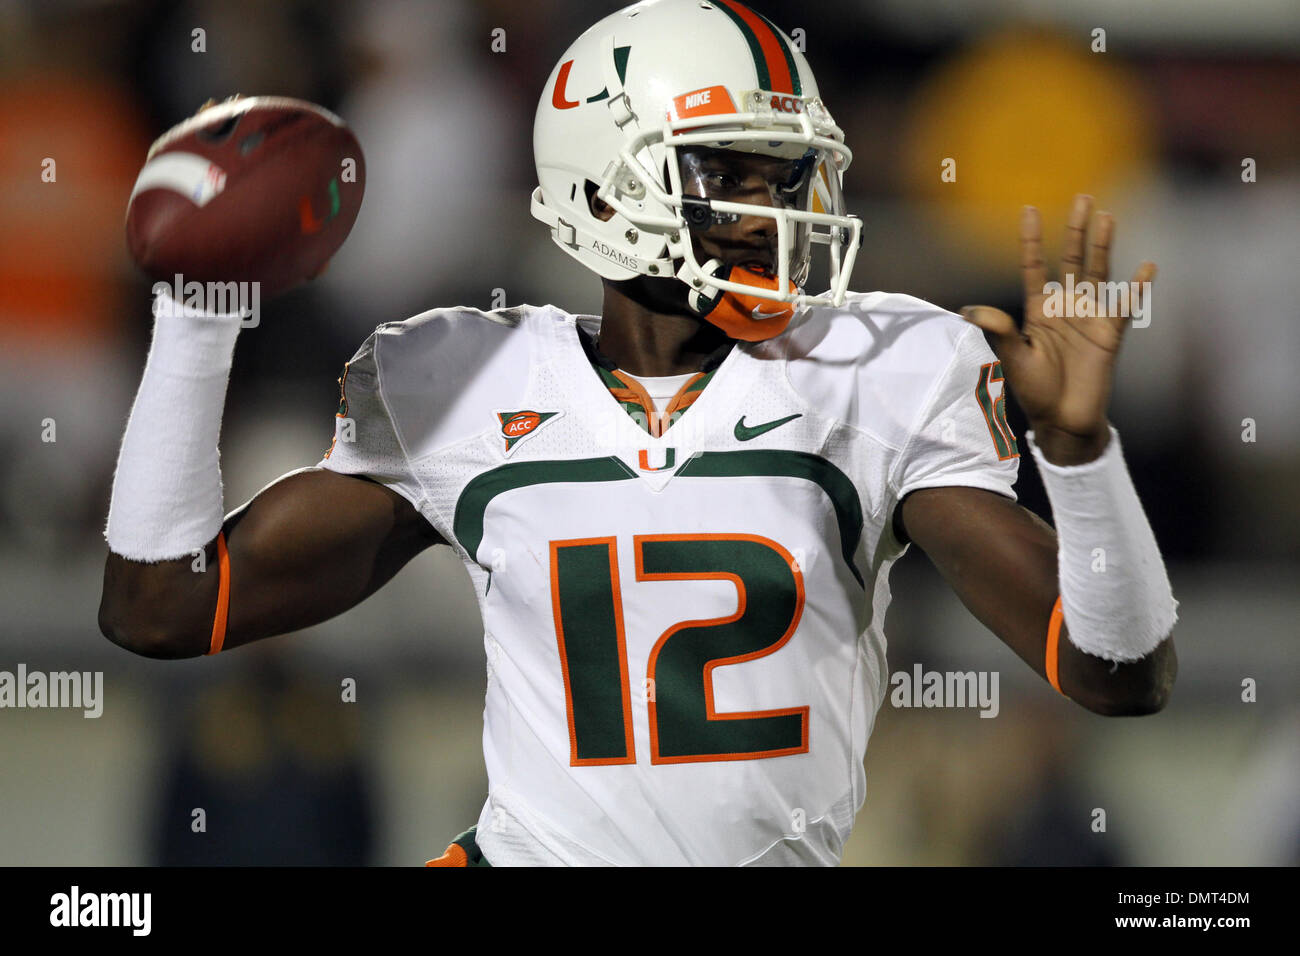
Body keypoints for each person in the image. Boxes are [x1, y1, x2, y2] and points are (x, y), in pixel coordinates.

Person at [99, 0, 1178, 866]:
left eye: (786, 173)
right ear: (605, 187)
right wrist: (198, 320)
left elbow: (1116, 671)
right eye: (732, 173)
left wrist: (1080, 456)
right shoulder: (465, 380)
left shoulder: (873, 372)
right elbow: (163, 604)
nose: (773, 209)